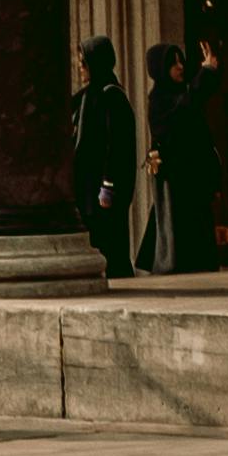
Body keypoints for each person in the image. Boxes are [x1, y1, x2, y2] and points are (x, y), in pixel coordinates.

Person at [141, 19, 219, 280]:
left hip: (193, 174)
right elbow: (183, 112)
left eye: (180, 61)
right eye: (174, 63)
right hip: (177, 176)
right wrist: (205, 73)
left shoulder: (179, 93)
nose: (180, 67)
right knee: (176, 224)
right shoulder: (160, 100)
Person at [70, 35, 140, 276]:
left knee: (112, 241)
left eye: (84, 62)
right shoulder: (87, 97)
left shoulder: (112, 96)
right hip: (88, 186)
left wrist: (108, 186)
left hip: (103, 188)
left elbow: (117, 147)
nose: (80, 67)